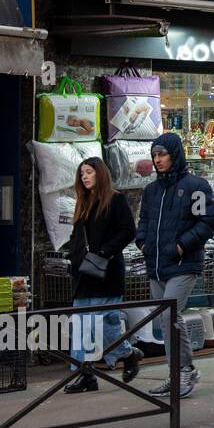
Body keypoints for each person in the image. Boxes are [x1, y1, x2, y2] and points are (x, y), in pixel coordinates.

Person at [136, 132, 214, 399]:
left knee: (171, 315)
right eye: (155, 155)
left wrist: (182, 245)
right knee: (166, 319)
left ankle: (184, 371)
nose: (158, 160)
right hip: (157, 265)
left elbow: (207, 222)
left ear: (175, 154)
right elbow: (144, 222)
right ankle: (176, 374)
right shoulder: (152, 191)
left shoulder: (195, 186)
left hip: (184, 264)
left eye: (162, 154)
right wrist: (143, 244)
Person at [65, 158, 143, 393]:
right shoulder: (83, 202)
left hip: (106, 272)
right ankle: (90, 372)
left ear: (100, 173)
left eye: (89, 172)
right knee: (87, 325)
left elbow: (128, 230)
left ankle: (117, 359)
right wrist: (72, 256)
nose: (84, 177)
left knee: (96, 325)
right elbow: (78, 236)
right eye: (81, 174)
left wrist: (104, 252)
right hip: (84, 273)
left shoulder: (115, 199)